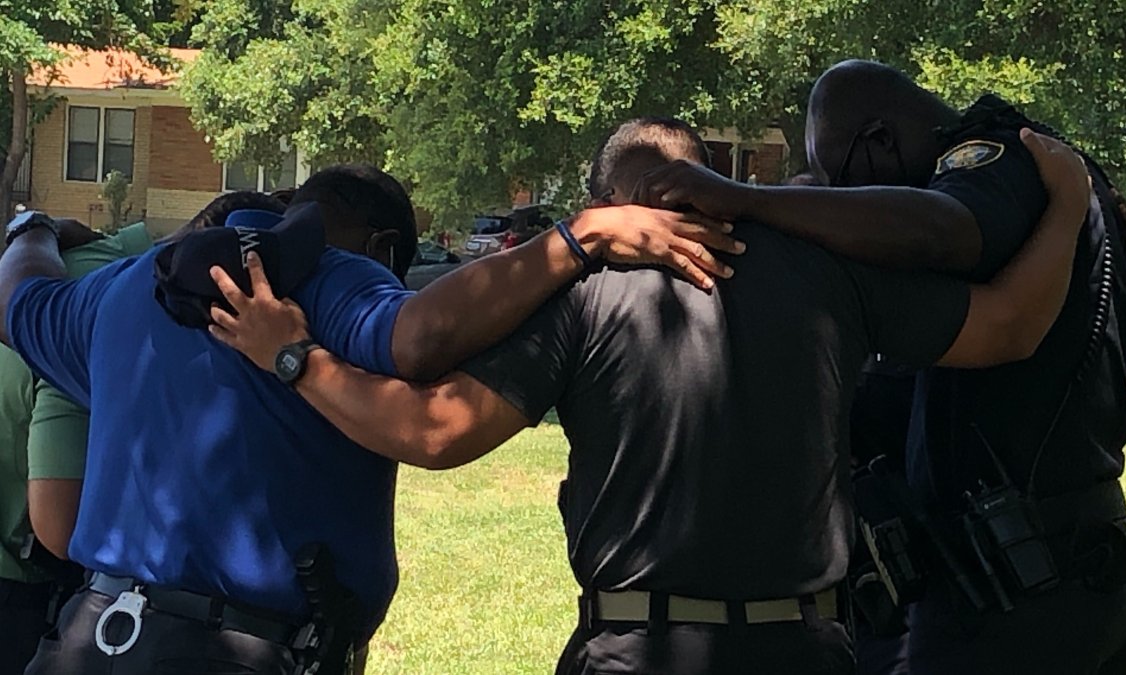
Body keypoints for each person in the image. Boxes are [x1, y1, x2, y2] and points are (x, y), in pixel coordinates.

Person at [200, 118, 1090, 674]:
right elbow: (1011, 326)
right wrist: (1067, 203)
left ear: (608, 202)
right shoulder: (828, 273)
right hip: (808, 646)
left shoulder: (582, 293)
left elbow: (432, 433)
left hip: (638, 646)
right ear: (705, 181)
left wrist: (295, 359)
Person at [0, 163, 735, 674]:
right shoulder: (334, 279)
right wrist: (580, 238)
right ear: (383, 250)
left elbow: (18, 299)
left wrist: (30, 229)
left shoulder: (119, 292)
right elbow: (420, 337)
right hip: (237, 651)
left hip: (88, 639)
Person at [634, 60, 1126, 674]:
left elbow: (947, 232)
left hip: (1024, 583)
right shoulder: (1022, 204)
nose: (843, 203)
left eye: (844, 180)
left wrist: (749, 198)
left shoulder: (1000, 160)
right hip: (1045, 571)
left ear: (880, 140)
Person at [0, 218, 154, 675]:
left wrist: (33, 228)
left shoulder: (80, 266)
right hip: (17, 590)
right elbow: (59, 528)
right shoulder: (102, 313)